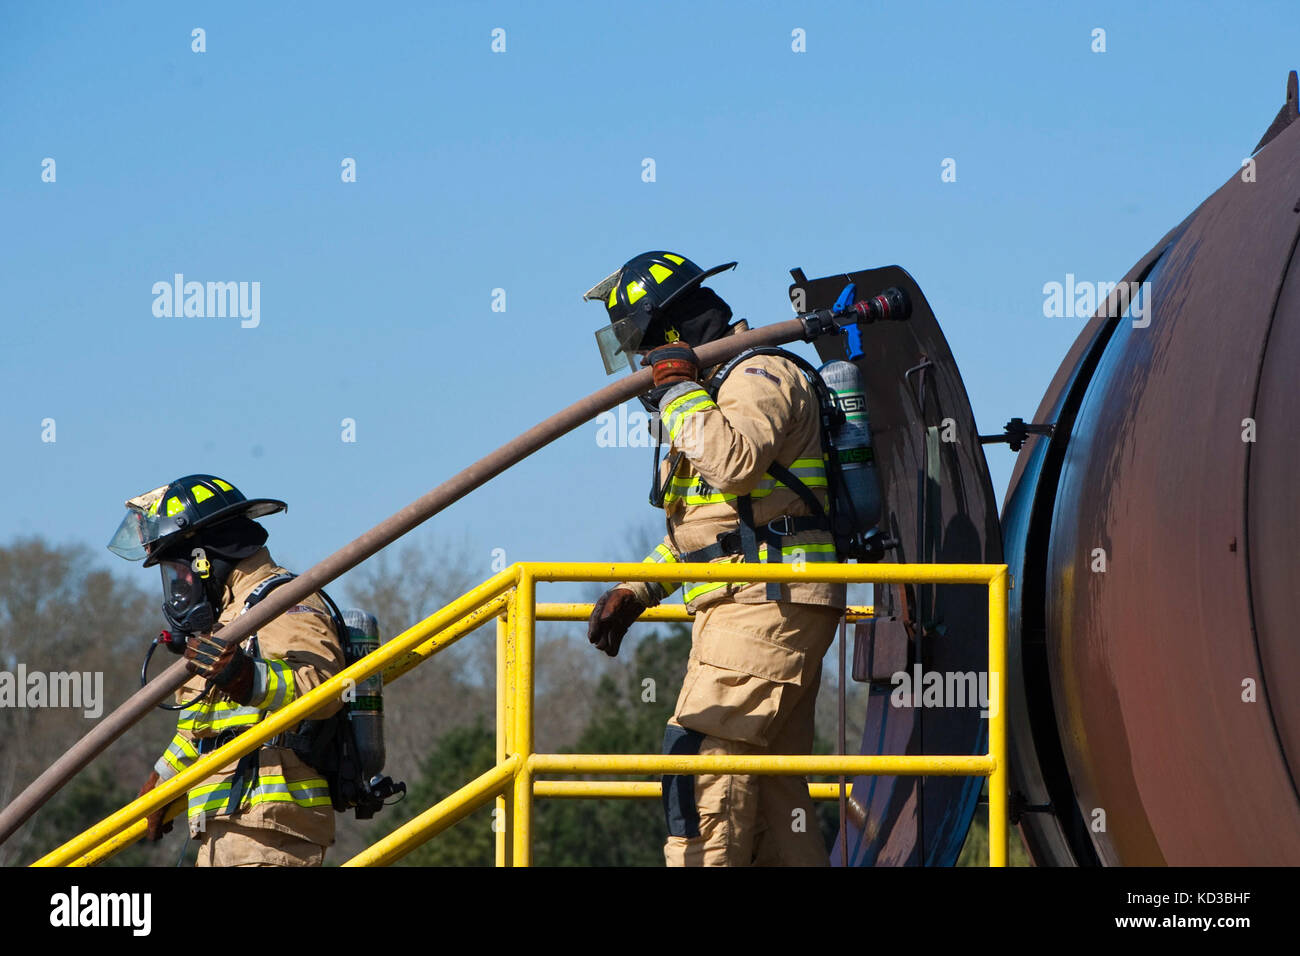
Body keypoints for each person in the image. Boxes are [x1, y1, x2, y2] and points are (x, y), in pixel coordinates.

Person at [583, 252, 846, 866]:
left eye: (641, 344)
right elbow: (701, 534)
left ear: (671, 331)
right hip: (747, 603)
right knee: (776, 798)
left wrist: (678, 391)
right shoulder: (710, 396)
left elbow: (732, 463)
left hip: (769, 600)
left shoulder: (759, 376)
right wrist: (638, 589)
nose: (641, 364)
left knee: (698, 759)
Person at [108, 474, 345, 866]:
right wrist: (161, 781)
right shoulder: (224, 624)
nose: (178, 586)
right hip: (219, 835)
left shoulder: (281, 600)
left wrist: (246, 678)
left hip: (270, 835)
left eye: (178, 571)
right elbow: (205, 730)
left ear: (204, 560)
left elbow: (325, 686)